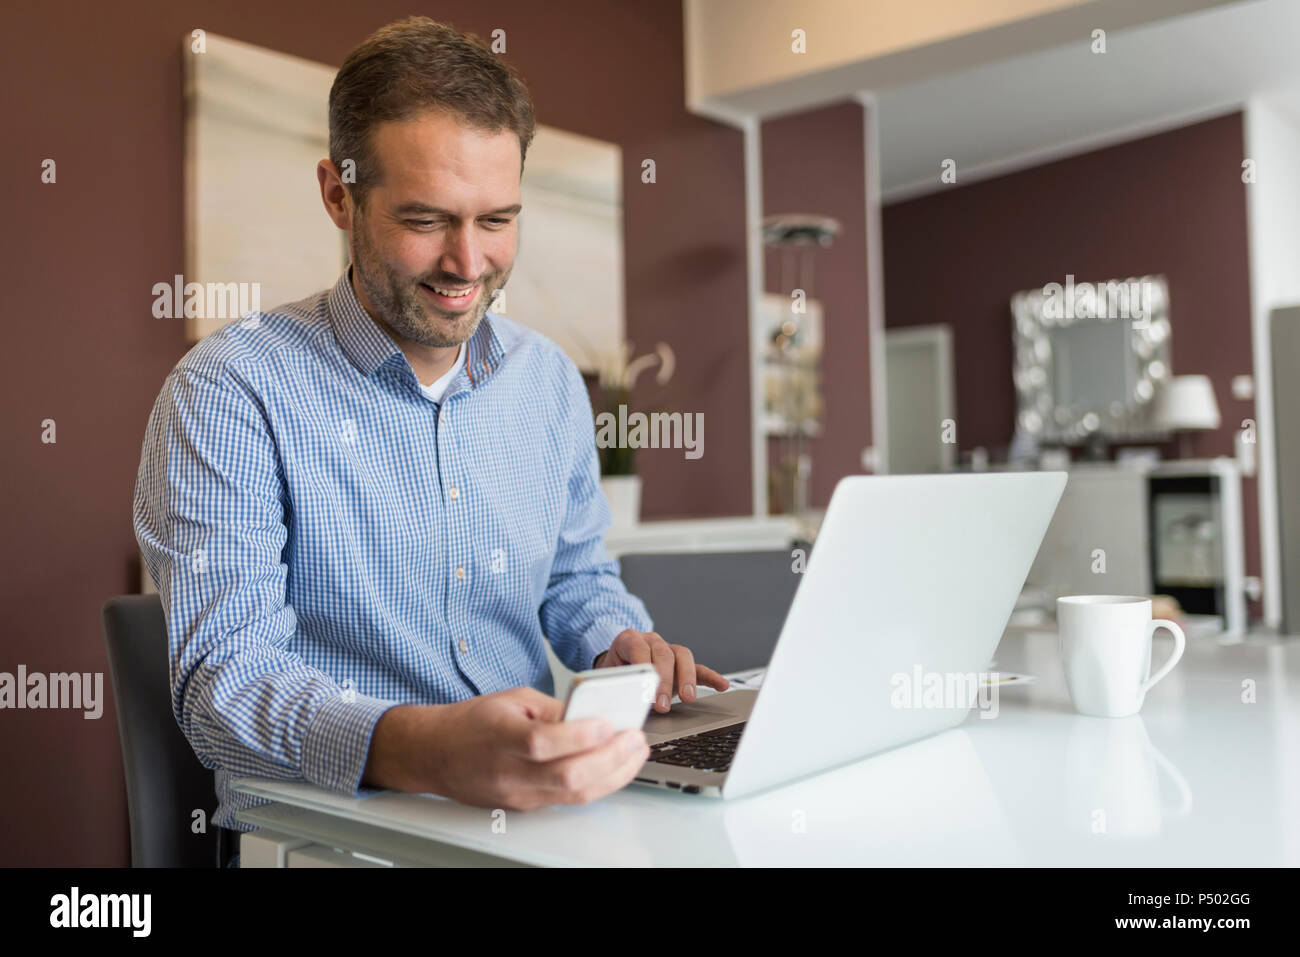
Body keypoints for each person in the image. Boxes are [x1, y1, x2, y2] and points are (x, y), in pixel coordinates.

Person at [133, 17, 728, 857]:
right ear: (339, 194)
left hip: (541, 811)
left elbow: (576, 576)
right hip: (330, 835)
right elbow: (223, 689)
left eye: (497, 219)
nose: (468, 262)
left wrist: (615, 640)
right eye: (426, 219)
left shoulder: (549, 381)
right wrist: (427, 749)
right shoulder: (230, 392)